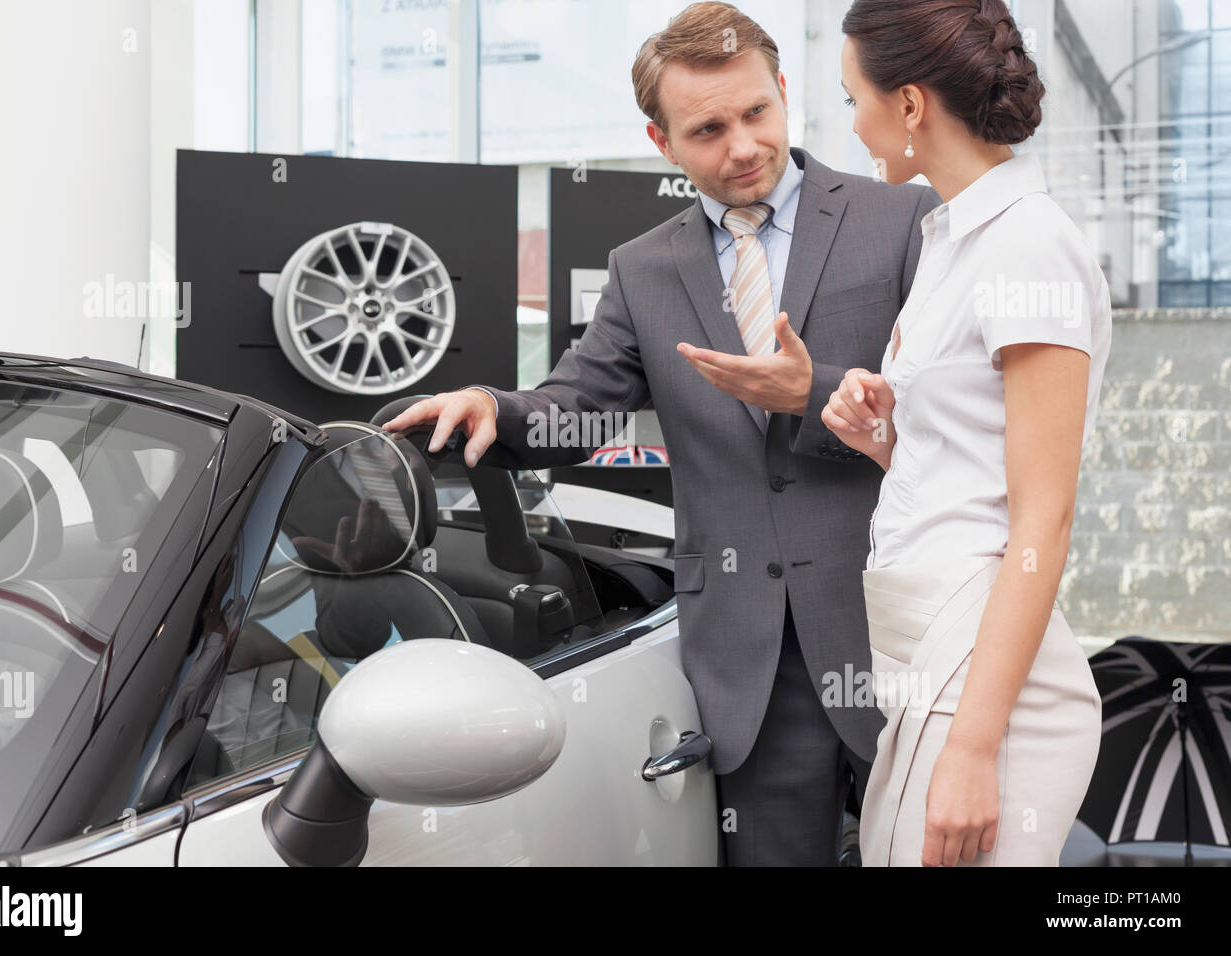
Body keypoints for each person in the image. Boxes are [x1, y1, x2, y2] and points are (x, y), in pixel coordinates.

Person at [383, 1, 938, 866]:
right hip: (751, 661)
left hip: (903, 632)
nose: (743, 145)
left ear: (785, 92)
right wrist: (501, 410)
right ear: (662, 142)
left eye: (756, 113)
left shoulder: (899, 221)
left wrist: (815, 392)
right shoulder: (643, 269)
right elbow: (581, 407)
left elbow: (953, 417)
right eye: (708, 129)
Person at [821, 0, 1111, 866]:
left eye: (852, 99)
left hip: (980, 670)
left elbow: (1041, 520)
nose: (854, 125)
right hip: (929, 653)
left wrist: (975, 749)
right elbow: (972, 461)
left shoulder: (1025, 245)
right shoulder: (952, 239)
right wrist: (885, 440)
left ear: (909, 105)